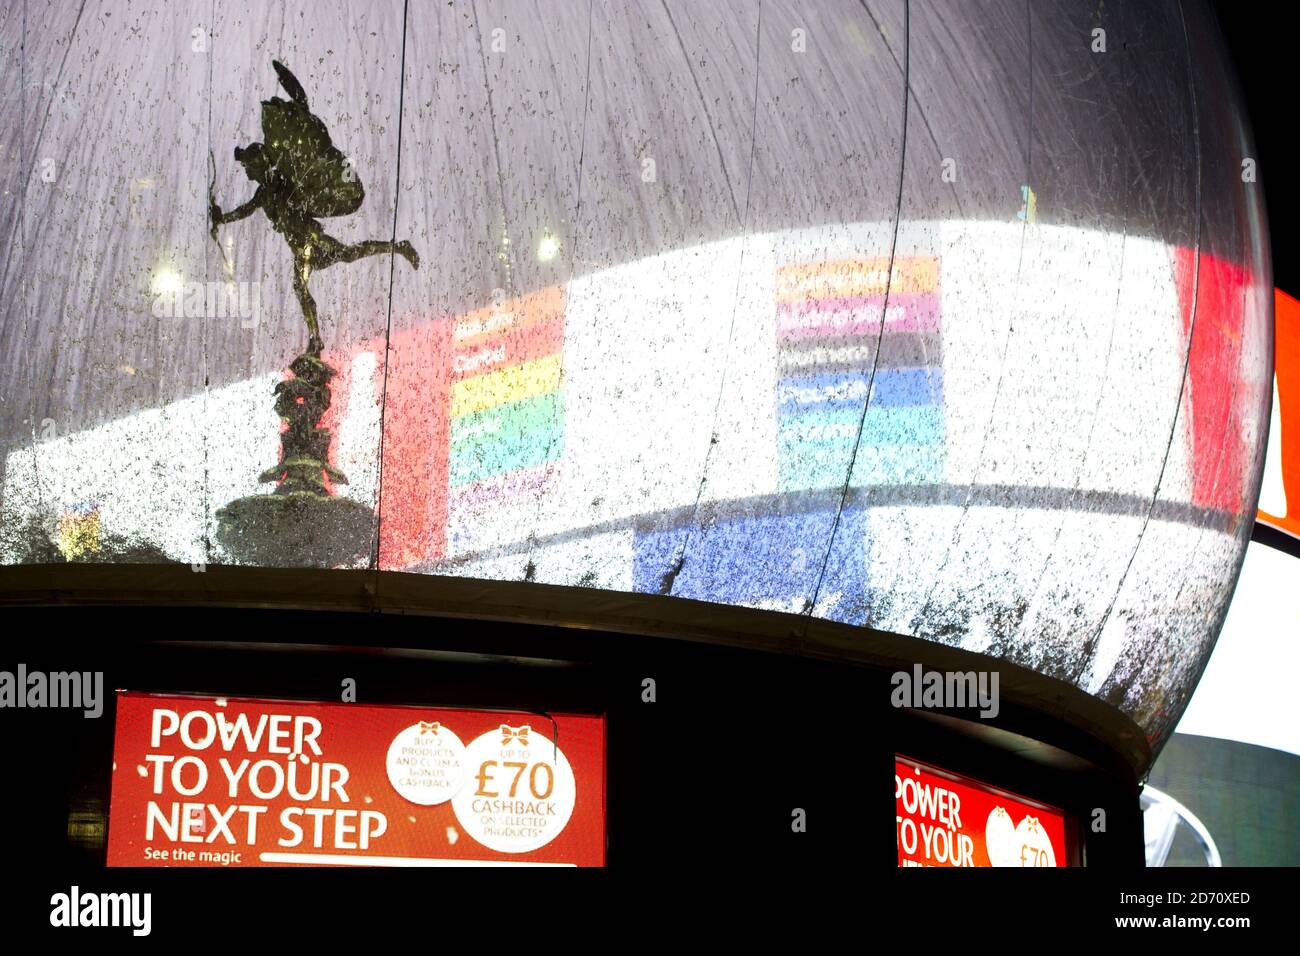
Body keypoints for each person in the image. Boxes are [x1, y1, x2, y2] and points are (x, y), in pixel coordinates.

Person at [209, 60, 419, 355]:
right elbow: (244, 210)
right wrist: (222, 217)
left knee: (345, 255)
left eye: (249, 167)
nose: (247, 173)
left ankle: (398, 247)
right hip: (300, 247)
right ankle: (316, 339)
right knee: (310, 281)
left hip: (309, 238)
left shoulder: (281, 183)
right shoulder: (264, 193)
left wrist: (293, 90)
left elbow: (303, 123)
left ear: (260, 164)